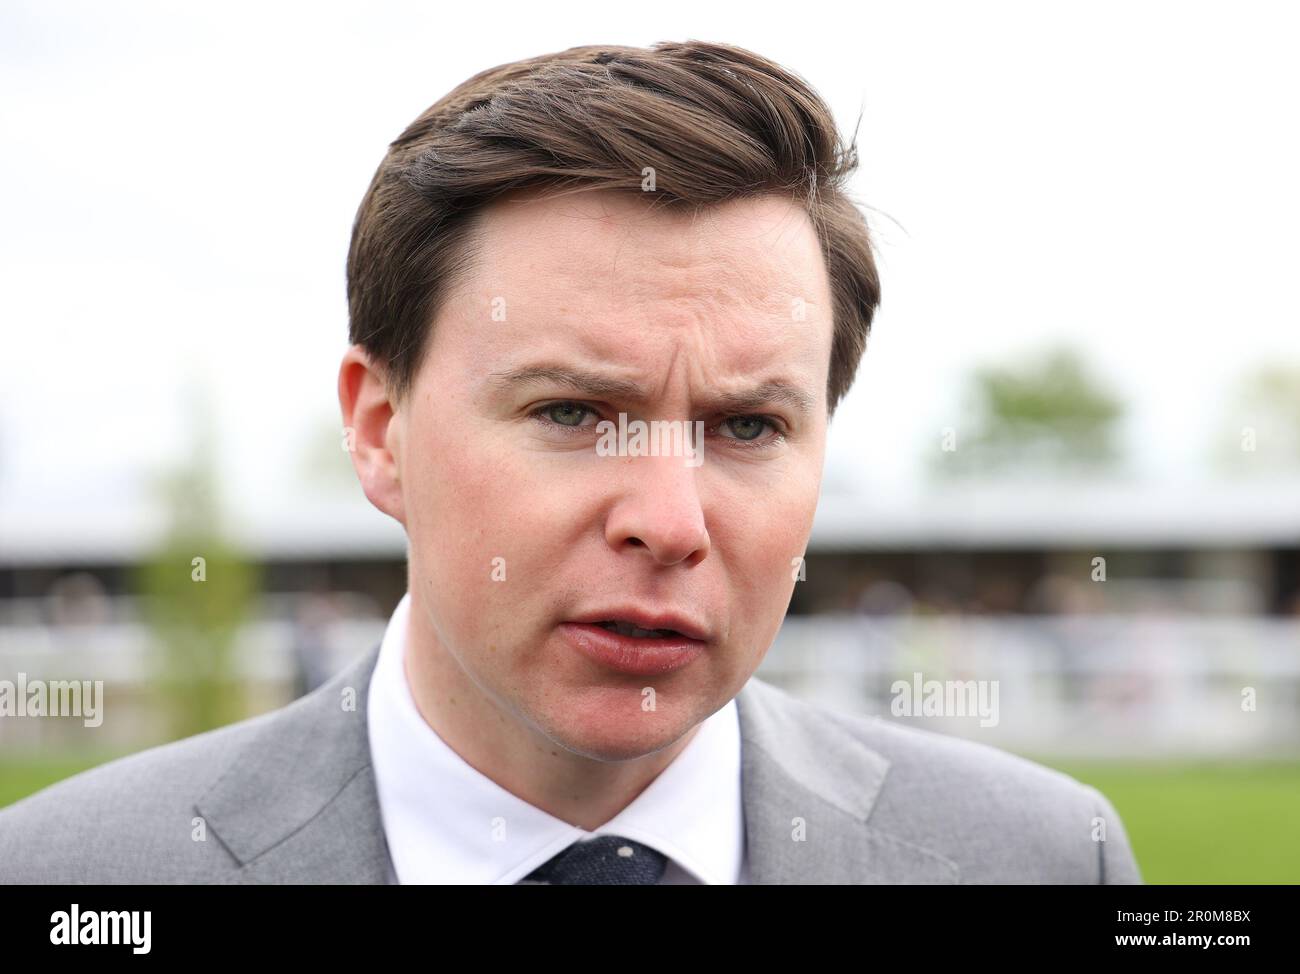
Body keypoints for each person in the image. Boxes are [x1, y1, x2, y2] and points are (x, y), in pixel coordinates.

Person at [0, 39, 1140, 884]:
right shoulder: (71, 879)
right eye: (575, 411)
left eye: (745, 427)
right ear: (379, 428)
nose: (669, 519)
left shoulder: (1042, 858)